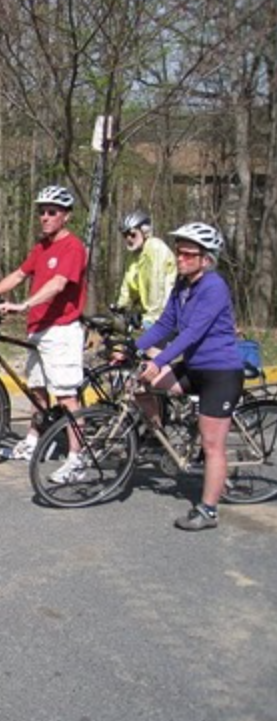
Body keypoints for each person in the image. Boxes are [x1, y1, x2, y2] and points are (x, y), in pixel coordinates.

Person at [0, 185, 87, 482]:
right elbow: (19, 274)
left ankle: (78, 458)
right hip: (38, 329)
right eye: (42, 212)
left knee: (66, 397)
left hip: (61, 330)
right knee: (37, 391)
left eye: (52, 212)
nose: (45, 217)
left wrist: (24, 304)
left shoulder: (73, 247)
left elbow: (58, 284)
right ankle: (34, 443)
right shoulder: (41, 247)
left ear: (66, 216)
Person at [134, 222, 243, 531]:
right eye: (179, 252)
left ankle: (208, 510)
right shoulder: (182, 287)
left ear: (206, 259)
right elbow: (165, 325)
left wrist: (161, 360)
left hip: (220, 372)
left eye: (188, 254)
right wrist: (132, 348)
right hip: (195, 368)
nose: (180, 258)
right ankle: (166, 440)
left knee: (212, 444)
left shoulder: (214, 287)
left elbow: (193, 333)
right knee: (143, 386)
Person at [114, 210, 177, 328]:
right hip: (151, 315)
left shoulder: (155, 248)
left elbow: (157, 285)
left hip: (167, 314)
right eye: (125, 235)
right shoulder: (133, 257)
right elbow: (127, 287)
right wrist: (120, 309)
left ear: (145, 232)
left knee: (145, 346)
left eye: (133, 234)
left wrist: (151, 317)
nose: (128, 239)